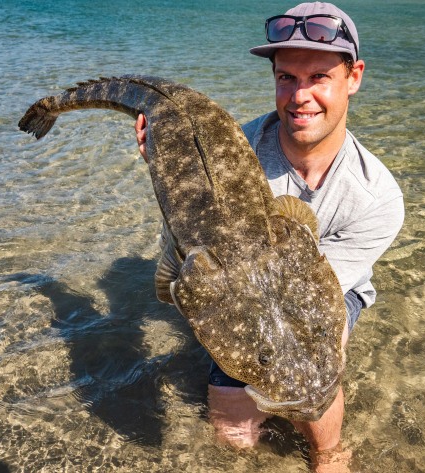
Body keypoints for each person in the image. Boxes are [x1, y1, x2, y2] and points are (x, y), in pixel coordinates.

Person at [135, 3, 404, 471]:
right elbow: (187, 243)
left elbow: (314, 301)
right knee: (230, 431)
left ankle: (328, 453)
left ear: (353, 77)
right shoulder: (232, 150)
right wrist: (167, 167)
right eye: (286, 78)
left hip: (326, 287)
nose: (300, 96)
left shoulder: (377, 197)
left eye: (318, 76)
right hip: (239, 277)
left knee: (314, 376)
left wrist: (303, 379)